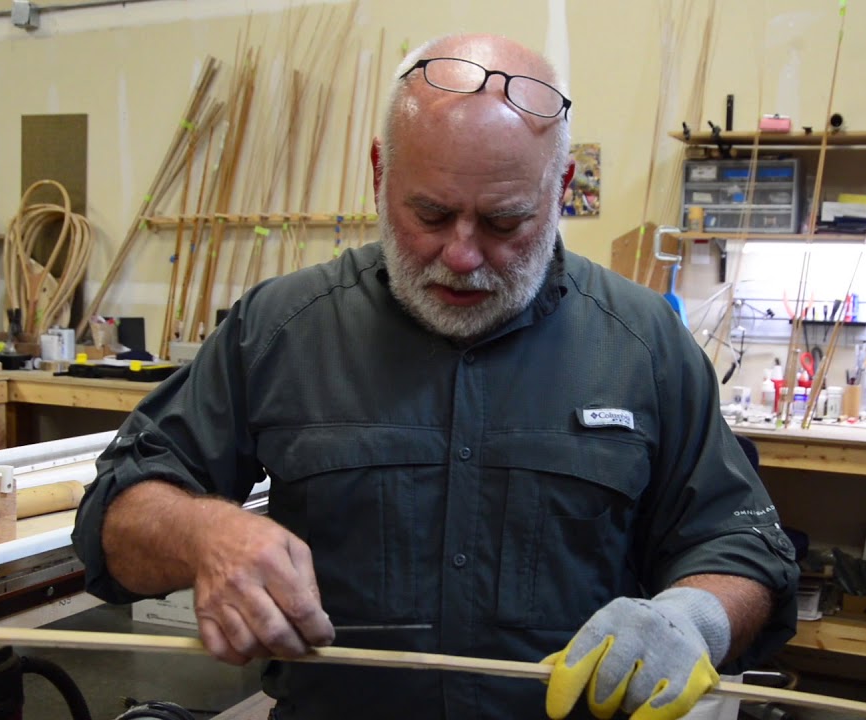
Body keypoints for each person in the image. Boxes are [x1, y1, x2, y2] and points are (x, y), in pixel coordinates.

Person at [73, 32, 798, 720]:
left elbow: (741, 547)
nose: (461, 254)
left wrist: (693, 617)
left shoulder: (645, 345)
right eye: (431, 212)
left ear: (562, 189)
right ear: (381, 171)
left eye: (504, 221)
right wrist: (206, 535)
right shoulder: (282, 329)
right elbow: (112, 521)